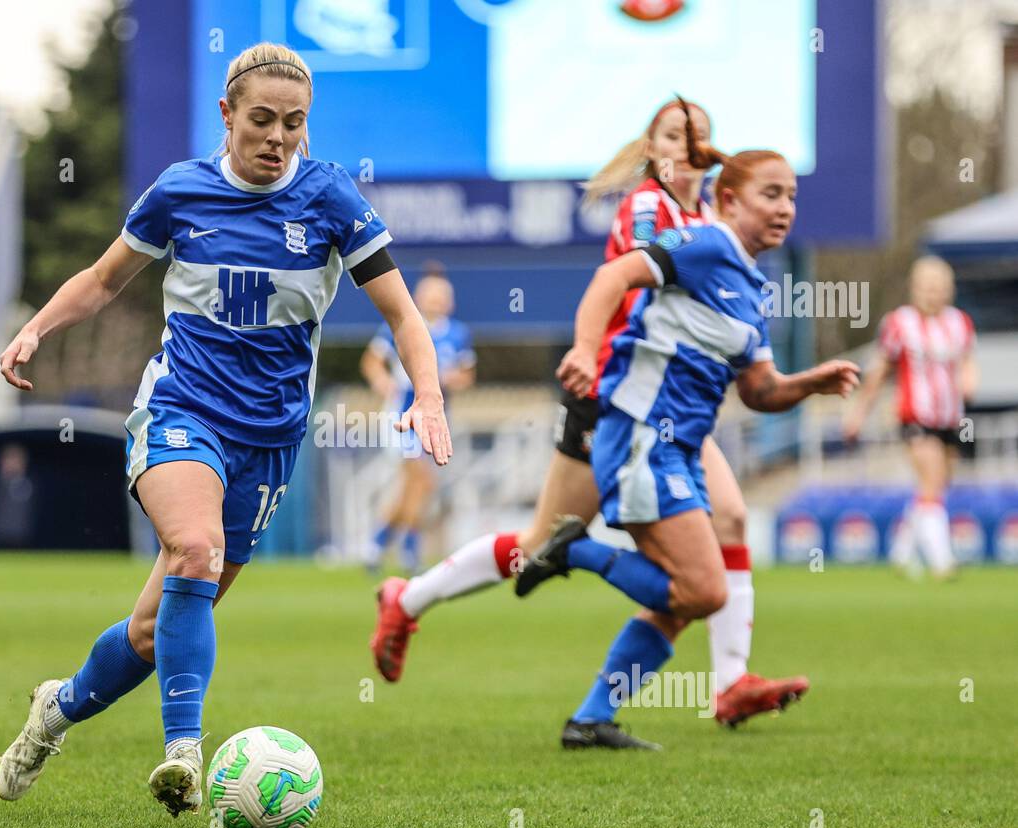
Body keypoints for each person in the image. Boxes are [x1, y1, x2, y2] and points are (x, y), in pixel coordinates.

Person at [0, 42, 452, 816]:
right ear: (227, 116)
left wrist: (429, 392)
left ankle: (56, 710)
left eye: (295, 124)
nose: (278, 139)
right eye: (263, 121)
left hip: (270, 440)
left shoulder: (332, 200)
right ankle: (184, 756)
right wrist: (35, 329)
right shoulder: (181, 193)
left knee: (155, 629)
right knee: (195, 549)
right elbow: (104, 281)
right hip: (182, 411)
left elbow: (404, 313)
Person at [370, 100, 807, 735]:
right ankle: (406, 599)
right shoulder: (652, 211)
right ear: (652, 147)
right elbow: (637, 290)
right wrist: (589, 350)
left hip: (670, 411)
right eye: (674, 136)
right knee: (537, 546)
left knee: (721, 530)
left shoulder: (710, 221)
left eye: (700, 138)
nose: (688, 147)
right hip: (614, 400)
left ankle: (725, 682)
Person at [515, 138, 860, 749]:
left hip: (679, 448)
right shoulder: (703, 242)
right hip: (642, 434)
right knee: (704, 590)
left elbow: (759, 390)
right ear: (728, 200)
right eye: (770, 194)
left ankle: (591, 720)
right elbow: (613, 275)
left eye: (792, 197)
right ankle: (575, 551)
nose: (785, 208)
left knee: (677, 599)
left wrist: (811, 383)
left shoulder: (753, 290)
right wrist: (585, 350)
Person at [843, 256, 975, 578]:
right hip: (915, 415)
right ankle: (942, 561)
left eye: (940, 287)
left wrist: (970, 380)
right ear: (915, 289)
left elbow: (968, 359)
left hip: (950, 417)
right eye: (928, 287)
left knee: (938, 484)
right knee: (931, 479)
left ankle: (902, 551)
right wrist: (859, 414)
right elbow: (879, 371)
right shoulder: (900, 324)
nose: (934, 294)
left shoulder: (960, 323)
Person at [361, 267, 475, 573]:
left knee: (417, 485)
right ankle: (409, 550)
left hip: (435, 419)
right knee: (421, 479)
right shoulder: (404, 326)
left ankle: (378, 543)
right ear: (418, 298)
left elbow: (467, 375)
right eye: (430, 295)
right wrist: (383, 382)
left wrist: (451, 379)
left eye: (441, 296)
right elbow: (372, 361)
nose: (436, 301)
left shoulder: (458, 333)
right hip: (402, 415)